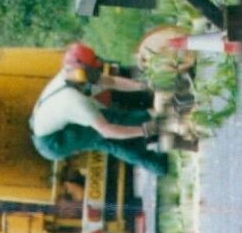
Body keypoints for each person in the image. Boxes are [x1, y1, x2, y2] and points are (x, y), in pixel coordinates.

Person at [27, 41, 171, 179]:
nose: (97, 70)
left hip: (49, 126)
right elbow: (108, 129)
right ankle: (163, 121)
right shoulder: (73, 100)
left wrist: (148, 86)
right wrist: (146, 129)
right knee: (110, 123)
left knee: (104, 138)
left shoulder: (75, 73)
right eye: (93, 69)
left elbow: (112, 82)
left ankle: (156, 164)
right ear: (81, 72)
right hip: (53, 142)